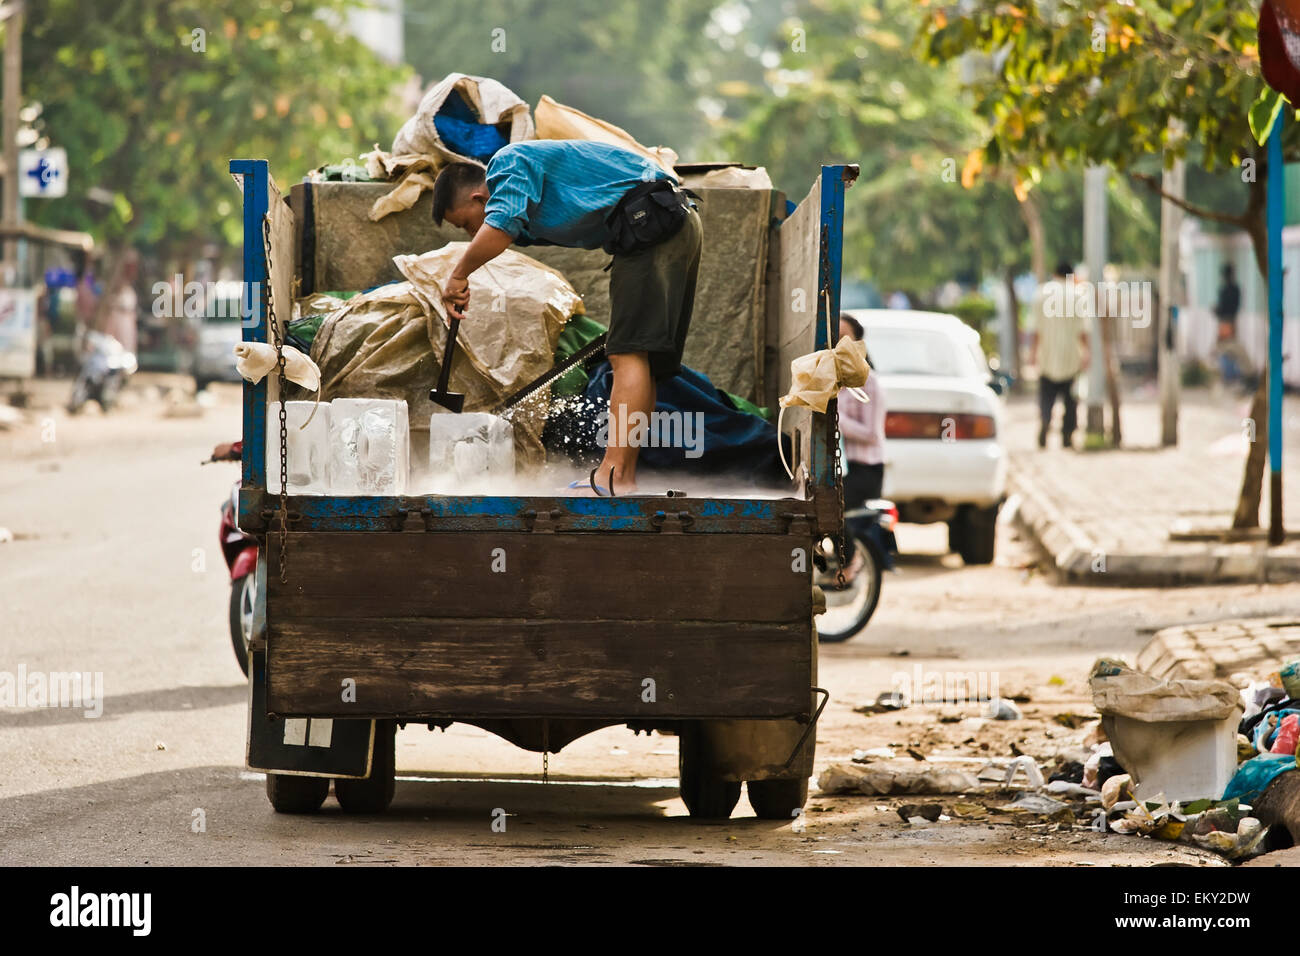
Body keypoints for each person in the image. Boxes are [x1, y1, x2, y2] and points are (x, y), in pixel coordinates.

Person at [431, 140, 701, 496]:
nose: (471, 236)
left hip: (650, 221)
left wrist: (459, 274)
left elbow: (501, 226)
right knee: (642, 359)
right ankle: (624, 476)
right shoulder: (528, 189)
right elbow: (506, 228)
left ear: (480, 198)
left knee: (627, 354)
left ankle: (613, 476)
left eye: (467, 224)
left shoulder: (507, 164)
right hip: (667, 221)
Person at [1031, 260, 1090, 449]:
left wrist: (1033, 353)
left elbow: (1035, 329)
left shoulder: (1041, 293)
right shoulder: (1078, 295)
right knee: (1071, 401)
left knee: (1046, 397)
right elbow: (1083, 330)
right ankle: (1067, 435)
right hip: (1071, 356)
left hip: (1046, 355)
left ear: (1054, 274)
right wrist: (1086, 353)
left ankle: (1046, 419)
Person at [837, 314, 886, 504]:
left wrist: (834, 418)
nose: (837, 343)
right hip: (837, 470)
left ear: (857, 343)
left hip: (863, 469)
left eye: (843, 337)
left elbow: (871, 434)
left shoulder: (868, 381)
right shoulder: (827, 377)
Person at [1213, 263, 1241, 342]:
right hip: (1230, 319)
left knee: (1226, 343)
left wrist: (1218, 310)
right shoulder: (1234, 289)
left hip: (1226, 319)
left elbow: (1225, 306)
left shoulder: (1225, 290)